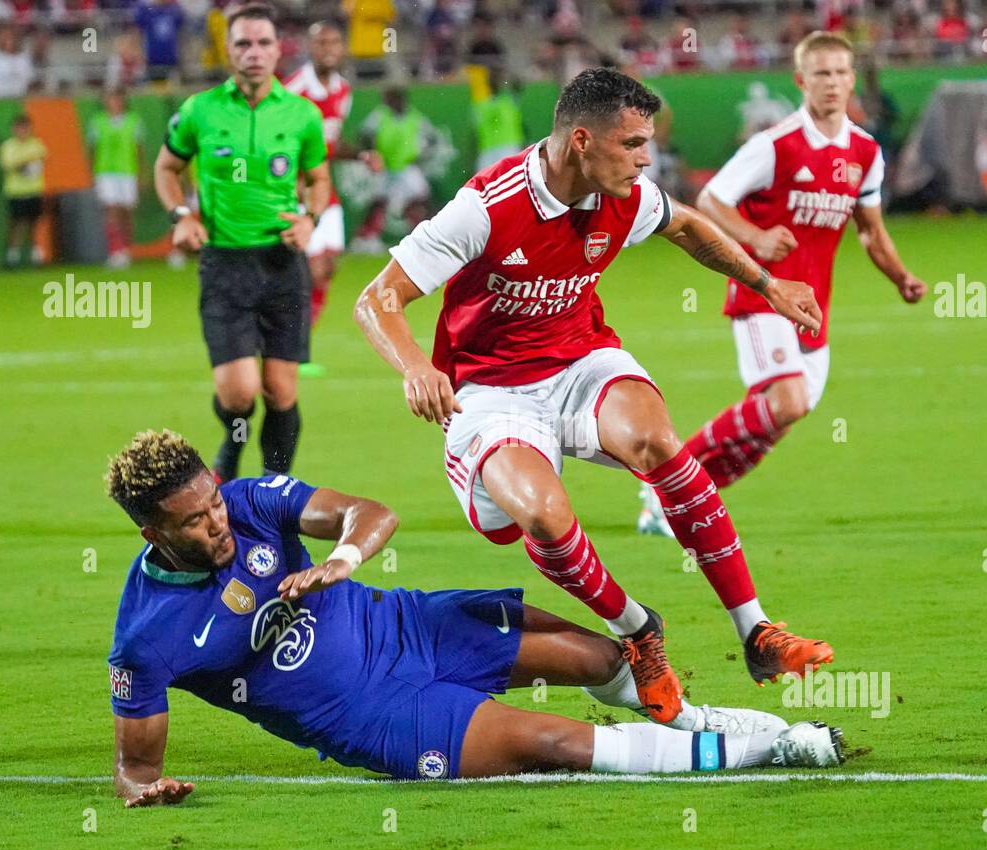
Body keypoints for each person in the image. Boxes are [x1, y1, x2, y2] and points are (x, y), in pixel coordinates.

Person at [352, 68, 834, 725]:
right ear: (582, 141)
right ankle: (639, 631)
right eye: (634, 144)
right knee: (546, 517)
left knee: (660, 443)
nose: (647, 159)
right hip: (492, 390)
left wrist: (767, 284)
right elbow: (378, 298)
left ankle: (756, 633)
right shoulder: (488, 208)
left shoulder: (628, 197)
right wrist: (414, 366)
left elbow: (689, 227)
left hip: (581, 360)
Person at [105, 429, 845, 803]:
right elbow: (135, 770)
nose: (217, 524)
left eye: (212, 502)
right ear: (152, 534)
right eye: (195, 522)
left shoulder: (245, 501)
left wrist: (341, 562)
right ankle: (769, 751)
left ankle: (696, 722)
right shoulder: (146, 640)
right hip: (373, 713)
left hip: (403, 625)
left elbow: (370, 511)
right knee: (556, 745)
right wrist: (148, 790)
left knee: (603, 658)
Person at [650, 33, 924, 510]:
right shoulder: (776, 146)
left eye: (841, 72)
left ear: (852, 79)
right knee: (789, 401)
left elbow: (871, 231)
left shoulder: (864, 153)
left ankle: (685, 499)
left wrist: (901, 277)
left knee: (778, 421)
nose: (833, 83)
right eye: (821, 73)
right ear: (801, 80)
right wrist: (755, 238)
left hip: (814, 306)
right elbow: (711, 198)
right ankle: (665, 482)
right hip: (764, 295)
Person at [153, 3, 332, 483]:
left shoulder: (302, 115)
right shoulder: (200, 110)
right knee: (239, 395)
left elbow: (318, 179)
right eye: (243, 44)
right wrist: (182, 215)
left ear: (279, 50)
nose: (254, 52)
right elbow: (165, 168)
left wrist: (310, 218)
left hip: (281, 264)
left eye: (263, 43)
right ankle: (230, 454)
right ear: (228, 51)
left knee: (281, 391)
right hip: (224, 265)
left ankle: (274, 490)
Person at [283, 19, 373, 326]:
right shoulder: (293, 89)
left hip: (325, 190)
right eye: (321, 43)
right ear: (310, 47)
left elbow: (331, 142)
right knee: (306, 270)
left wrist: (360, 155)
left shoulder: (342, 90)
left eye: (334, 42)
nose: (329, 49)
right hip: (295, 191)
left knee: (328, 266)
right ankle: (289, 339)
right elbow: (275, 141)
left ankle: (300, 340)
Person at [350, 86, 438, 254]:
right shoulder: (380, 115)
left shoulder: (415, 117)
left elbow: (431, 138)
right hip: (387, 167)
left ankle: (430, 236)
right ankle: (366, 238)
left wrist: (422, 153)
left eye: (390, 99)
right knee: (379, 203)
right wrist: (372, 151)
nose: (387, 103)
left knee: (422, 201)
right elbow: (364, 134)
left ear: (399, 100)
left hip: (408, 168)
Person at [87, 89, 146, 268]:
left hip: (128, 171)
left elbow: (139, 149)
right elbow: (91, 149)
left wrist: (142, 173)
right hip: (105, 171)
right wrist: (91, 172)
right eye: (110, 99)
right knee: (111, 210)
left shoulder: (133, 121)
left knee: (126, 212)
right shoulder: (97, 121)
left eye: (116, 99)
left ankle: (126, 250)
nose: (113, 103)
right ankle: (115, 251)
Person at [0, 112, 47, 267]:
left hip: (33, 190)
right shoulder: (7, 146)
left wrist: (23, 164)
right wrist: (26, 163)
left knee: (34, 223)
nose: (22, 131)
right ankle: (13, 254)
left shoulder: (36, 144)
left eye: (25, 128)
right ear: (14, 129)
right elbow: (10, 165)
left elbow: (40, 162)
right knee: (16, 223)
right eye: (19, 128)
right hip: (15, 191)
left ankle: (35, 252)